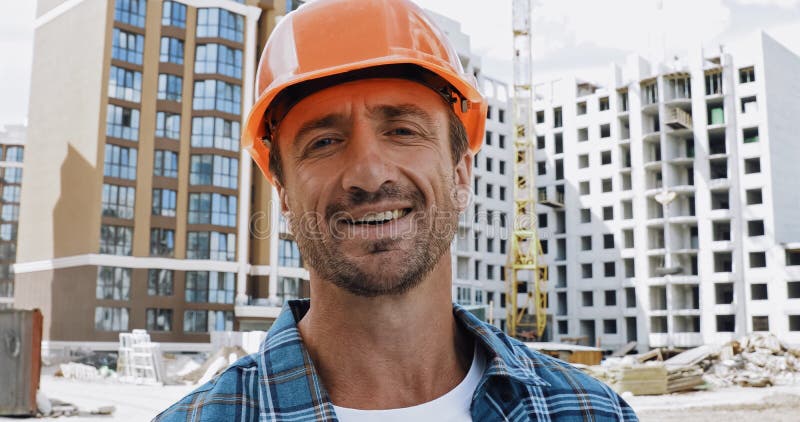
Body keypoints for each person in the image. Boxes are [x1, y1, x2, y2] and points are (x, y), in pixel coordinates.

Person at [155, 0, 638, 420]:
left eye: (403, 130)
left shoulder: (587, 411)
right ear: (282, 193)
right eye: (324, 141)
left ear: (461, 172)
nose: (367, 174)